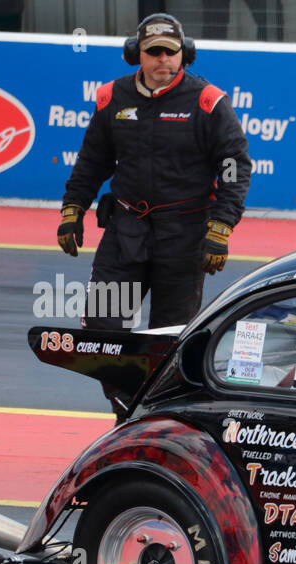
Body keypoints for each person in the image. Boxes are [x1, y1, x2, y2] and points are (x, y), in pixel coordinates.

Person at [56, 12, 252, 329]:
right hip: (125, 231)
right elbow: (92, 160)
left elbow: (234, 165)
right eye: (153, 52)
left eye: (170, 52)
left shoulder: (208, 102)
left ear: (184, 54)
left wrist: (220, 227)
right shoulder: (111, 98)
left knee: (169, 338)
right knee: (101, 330)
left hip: (185, 237)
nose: (163, 59)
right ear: (136, 55)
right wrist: (72, 210)